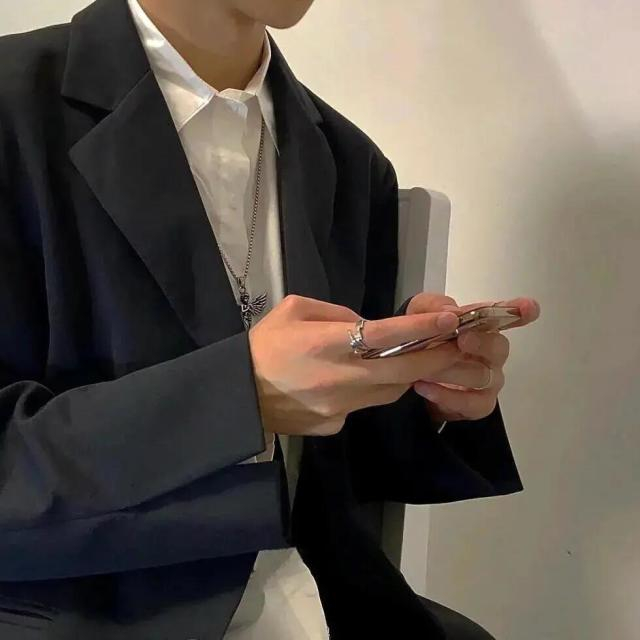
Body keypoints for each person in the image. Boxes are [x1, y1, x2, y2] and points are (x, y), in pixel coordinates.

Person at [0, 0, 540, 638]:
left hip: (314, 589)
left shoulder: (346, 159)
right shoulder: (16, 108)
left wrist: (423, 388)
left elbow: (335, 468)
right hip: (74, 606)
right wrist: (239, 394)